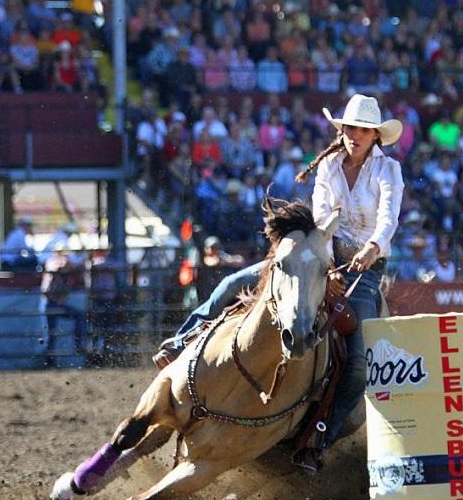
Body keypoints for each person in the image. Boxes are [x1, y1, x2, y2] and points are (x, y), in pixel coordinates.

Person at [152, 93, 405, 474]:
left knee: (358, 362)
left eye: (363, 130)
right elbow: (322, 215)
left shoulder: (389, 171)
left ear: (375, 136)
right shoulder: (330, 166)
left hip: (364, 270)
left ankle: (320, 435)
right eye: (350, 127)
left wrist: (370, 249)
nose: (355, 134)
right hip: (321, 256)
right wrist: (325, 260)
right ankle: (182, 342)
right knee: (231, 284)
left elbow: (387, 219)